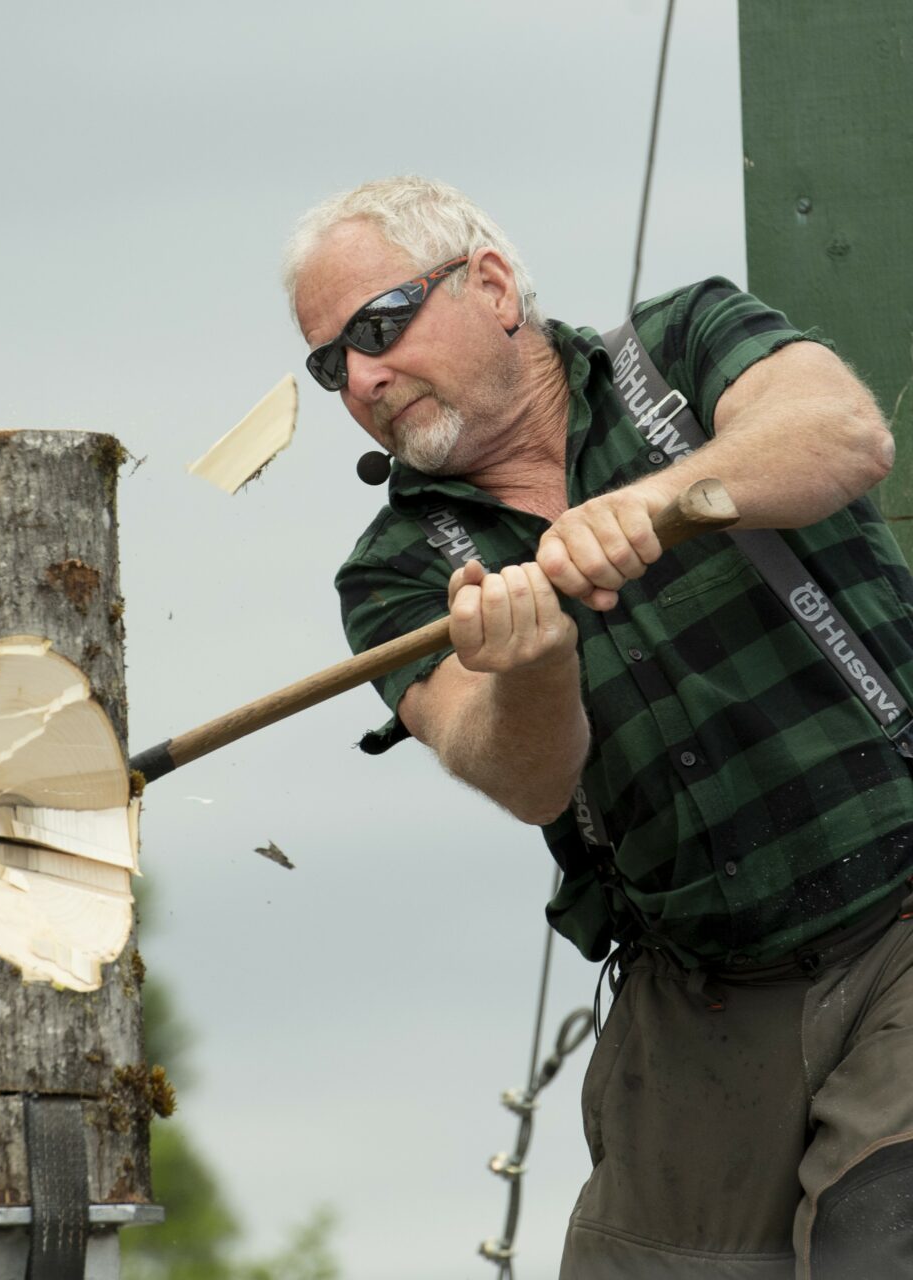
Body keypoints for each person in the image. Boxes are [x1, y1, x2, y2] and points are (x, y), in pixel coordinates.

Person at [283, 175, 913, 1278]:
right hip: (700, 989)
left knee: (881, 1232)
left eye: (379, 326)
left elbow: (840, 434)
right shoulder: (390, 569)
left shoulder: (679, 342)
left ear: (489, 284)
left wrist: (661, 501)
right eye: (332, 362)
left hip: (901, 908)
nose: (366, 377)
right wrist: (530, 667)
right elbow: (514, 772)